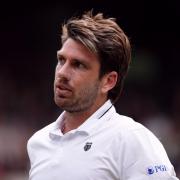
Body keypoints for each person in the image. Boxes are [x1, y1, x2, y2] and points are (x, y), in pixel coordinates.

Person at [27, 10, 179, 180]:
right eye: (61, 60)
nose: (62, 72)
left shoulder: (131, 140)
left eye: (78, 65)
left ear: (108, 81)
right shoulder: (37, 143)